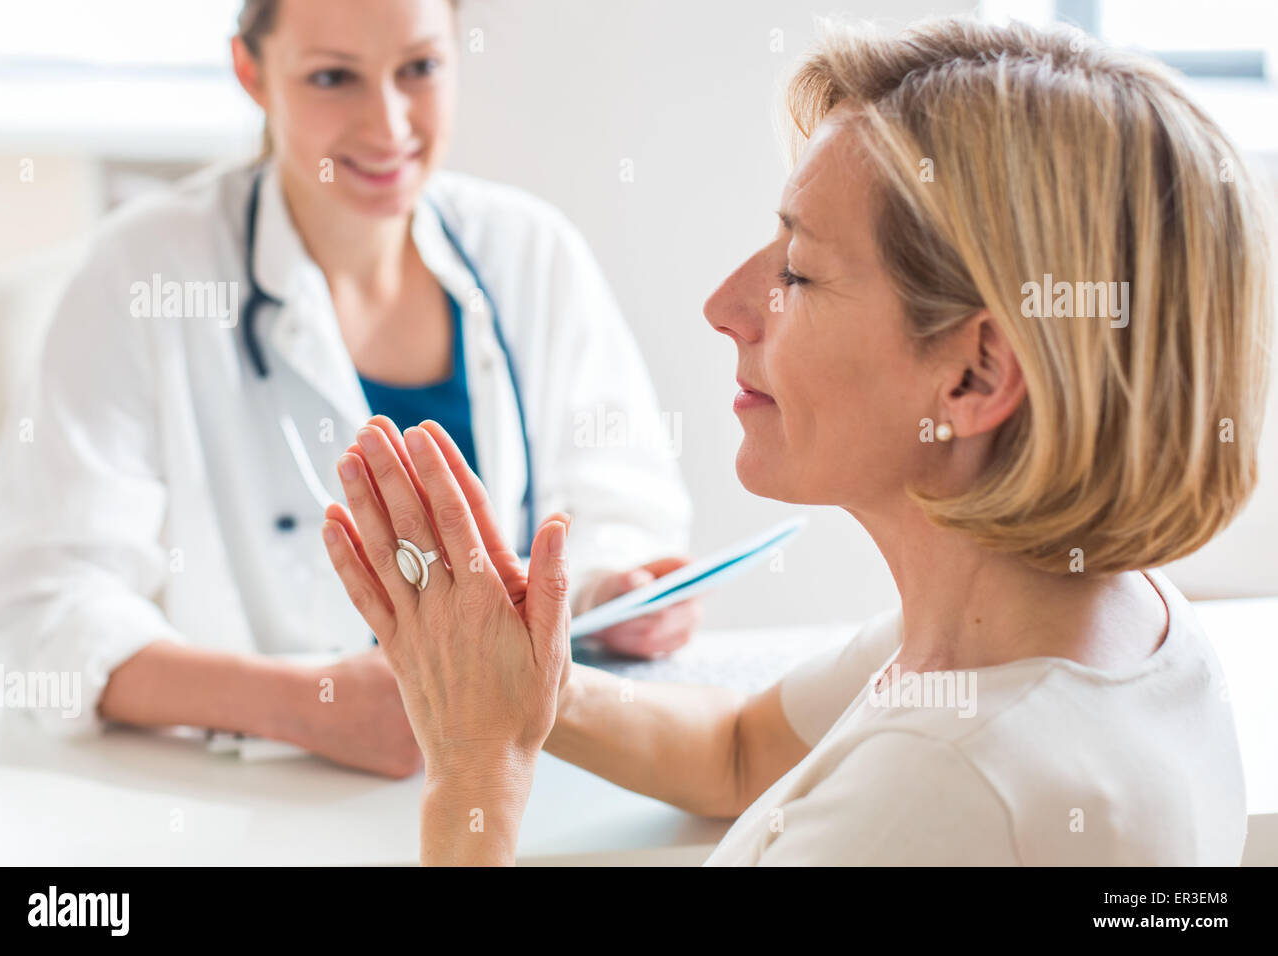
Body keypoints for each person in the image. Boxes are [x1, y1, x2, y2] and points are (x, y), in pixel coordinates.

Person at [323, 17, 1272, 863]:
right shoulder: (1088, 620)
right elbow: (737, 750)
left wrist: (472, 769)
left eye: (801, 272)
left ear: (976, 376)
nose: (726, 307)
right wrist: (523, 682)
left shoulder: (945, 791)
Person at [0, 0, 698, 779]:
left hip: (515, 784)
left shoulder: (531, 254)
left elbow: (620, 508)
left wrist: (612, 592)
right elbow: (38, 611)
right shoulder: (145, 274)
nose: (388, 126)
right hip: (252, 803)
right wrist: (305, 702)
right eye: (332, 77)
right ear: (252, 73)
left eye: (419, 69)